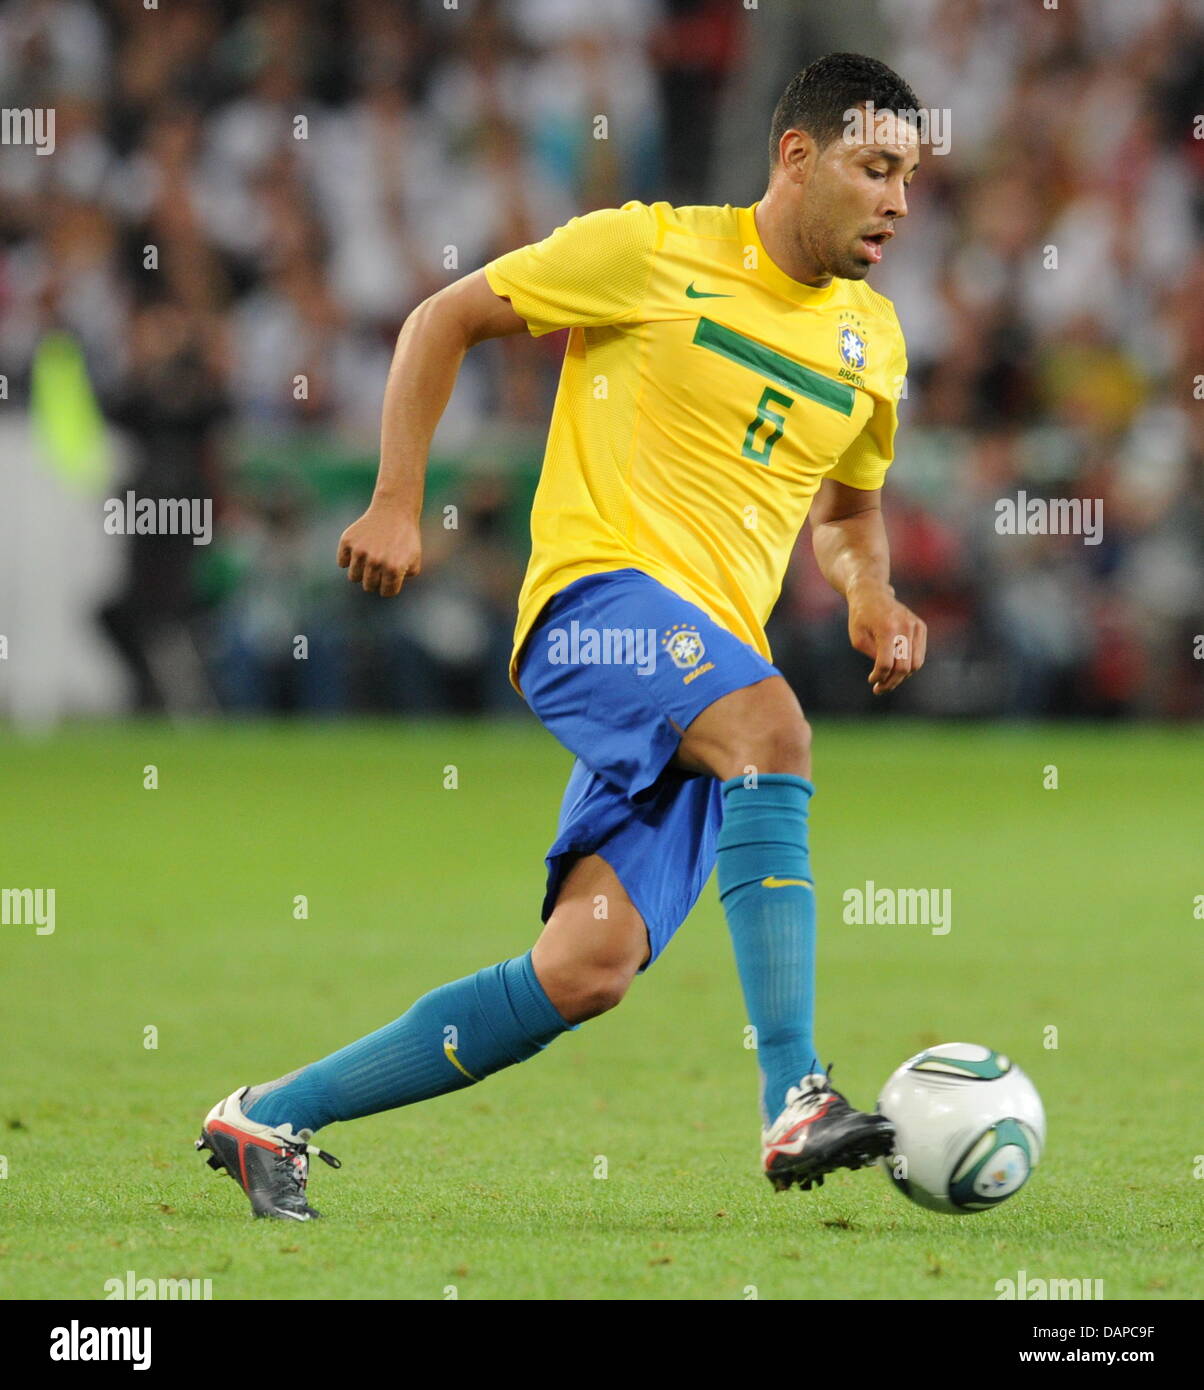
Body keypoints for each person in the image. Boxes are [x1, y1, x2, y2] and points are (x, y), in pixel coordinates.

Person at [196, 53, 928, 1220]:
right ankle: (794, 1093)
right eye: (875, 167)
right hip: (595, 612)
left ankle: (267, 1114)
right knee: (776, 730)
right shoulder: (648, 249)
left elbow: (846, 513)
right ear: (796, 157)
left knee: (585, 968)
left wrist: (869, 593)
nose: (897, 200)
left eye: (909, 177)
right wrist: (397, 499)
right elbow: (443, 318)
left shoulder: (872, 341)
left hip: (703, 681)